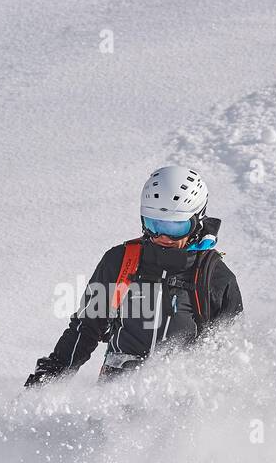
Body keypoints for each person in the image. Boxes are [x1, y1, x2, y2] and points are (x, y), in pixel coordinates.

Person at [25, 165, 243, 386]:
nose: (163, 236)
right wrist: (48, 379)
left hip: (181, 398)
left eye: (176, 227)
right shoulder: (121, 261)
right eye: (154, 224)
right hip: (115, 393)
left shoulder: (215, 277)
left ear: (197, 221)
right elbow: (87, 327)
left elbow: (228, 352)